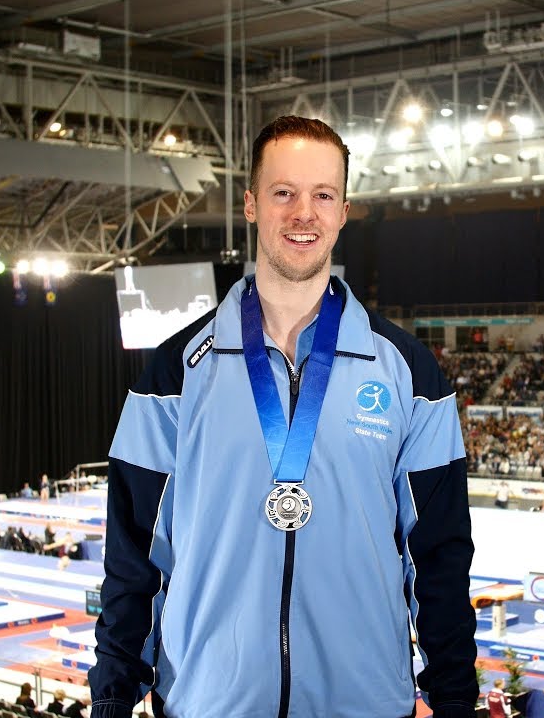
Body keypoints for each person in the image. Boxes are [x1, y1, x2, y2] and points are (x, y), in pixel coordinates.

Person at [90, 116, 476, 718]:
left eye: (323, 195)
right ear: (250, 204)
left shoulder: (410, 373)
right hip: (210, 704)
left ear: (344, 212)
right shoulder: (174, 373)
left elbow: (441, 554)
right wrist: (114, 692)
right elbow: (133, 550)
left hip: (365, 703)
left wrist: (454, 695)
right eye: (283, 192)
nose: (304, 213)